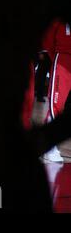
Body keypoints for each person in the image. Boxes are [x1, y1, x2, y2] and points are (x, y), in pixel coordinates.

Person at [42, 17, 71, 163]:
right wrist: (55, 54)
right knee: (57, 102)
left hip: (64, 54)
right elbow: (49, 35)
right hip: (64, 56)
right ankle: (49, 148)